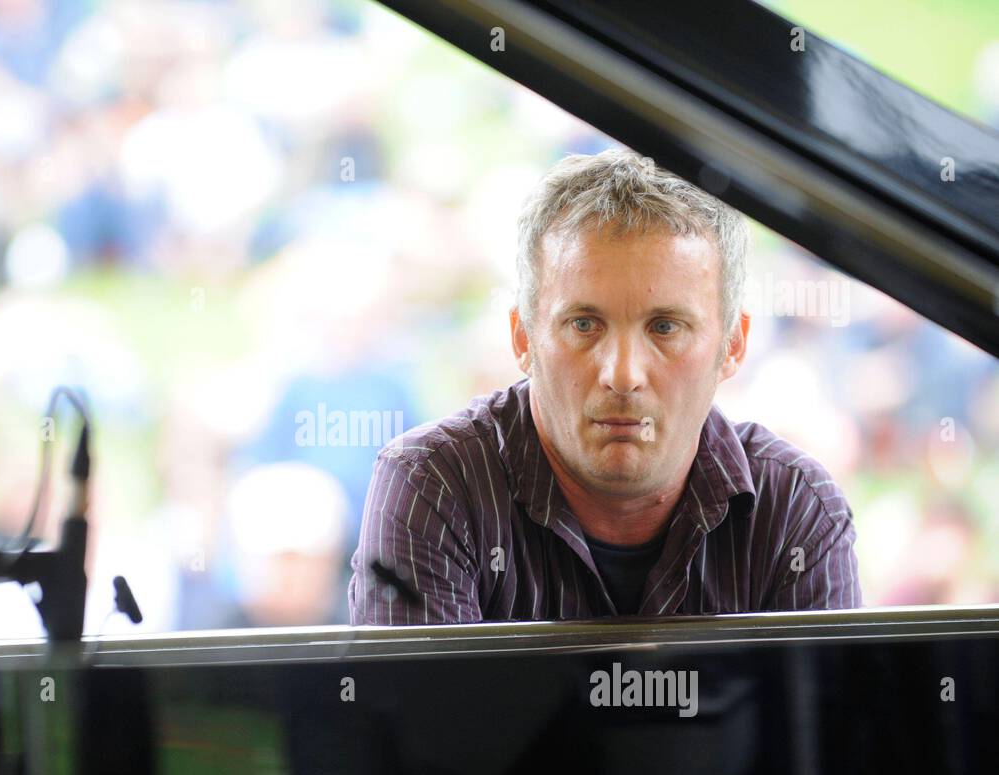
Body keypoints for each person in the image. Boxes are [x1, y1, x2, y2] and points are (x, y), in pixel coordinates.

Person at [349, 149, 861, 624]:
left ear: (732, 345)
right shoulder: (434, 485)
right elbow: (412, 721)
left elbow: (826, 722)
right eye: (584, 325)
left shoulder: (795, 508)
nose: (622, 374)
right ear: (522, 336)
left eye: (664, 328)